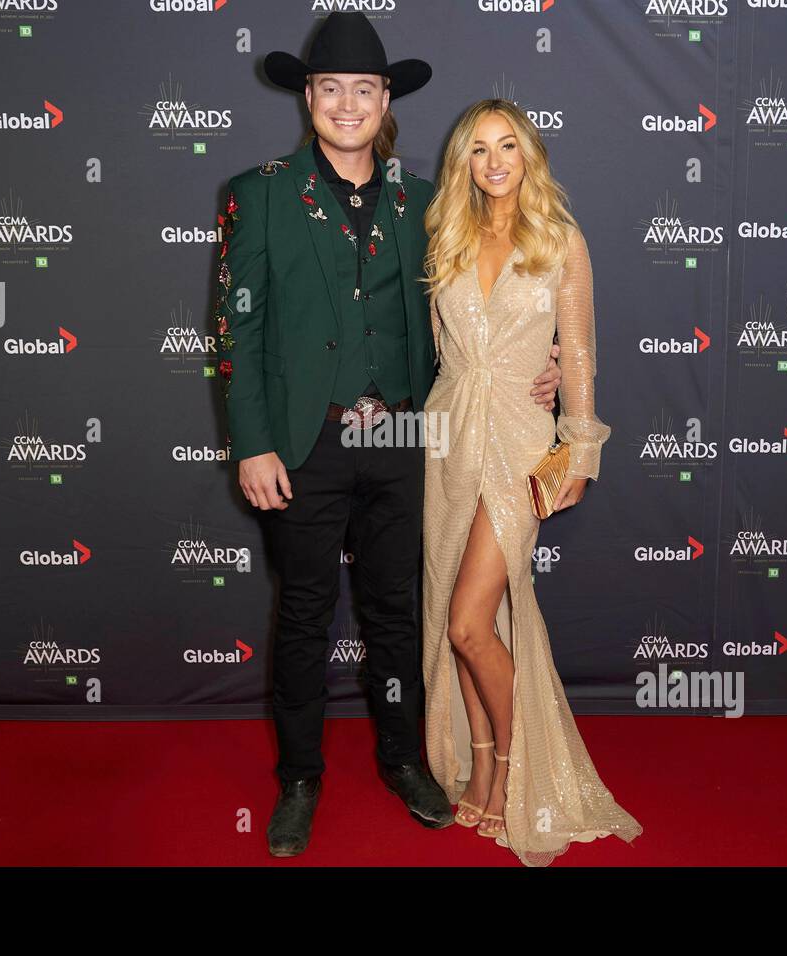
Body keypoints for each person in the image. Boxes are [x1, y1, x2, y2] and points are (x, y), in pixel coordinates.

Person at [213, 13, 563, 857]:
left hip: (405, 435)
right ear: (308, 96)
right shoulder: (257, 193)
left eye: (362, 90)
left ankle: (404, 759)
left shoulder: (423, 202)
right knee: (302, 613)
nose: (346, 104)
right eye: (330, 88)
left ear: (384, 100)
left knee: (397, 609)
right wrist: (251, 443)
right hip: (304, 442)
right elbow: (236, 330)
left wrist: (534, 372)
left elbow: (465, 311)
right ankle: (300, 779)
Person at [419, 99, 644, 866]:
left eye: (507, 145)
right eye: (478, 149)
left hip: (518, 441)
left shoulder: (559, 239)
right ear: (464, 164)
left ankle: (516, 771)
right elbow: (439, 351)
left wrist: (579, 452)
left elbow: (576, 354)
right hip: (448, 440)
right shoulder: (445, 236)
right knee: (454, 616)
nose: (493, 161)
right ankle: (478, 758)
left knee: (469, 622)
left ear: (529, 154)